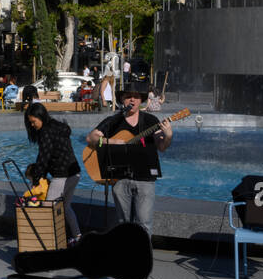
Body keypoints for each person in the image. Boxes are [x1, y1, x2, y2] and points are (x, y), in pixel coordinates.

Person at [85, 89, 174, 236]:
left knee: (144, 223)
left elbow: (162, 147)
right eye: (128, 97)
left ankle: (143, 257)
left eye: (136, 97)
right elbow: (91, 138)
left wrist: (168, 136)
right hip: (120, 179)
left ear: (141, 101)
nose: (132, 100)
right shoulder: (113, 121)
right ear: (122, 100)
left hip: (145, 179)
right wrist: (112, 141)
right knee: (122, 223)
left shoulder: (150, 121)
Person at [24, 101, 83, 245]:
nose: (32, 125)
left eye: (33, 121)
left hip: (62, 175)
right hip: (75, 173)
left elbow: (44, 157)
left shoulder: (45, 132)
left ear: (41, 117)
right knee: (65, 206)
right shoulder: (57, 126)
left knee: (48, 207)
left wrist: (37, 179)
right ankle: (78, 237)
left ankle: (49, 242)